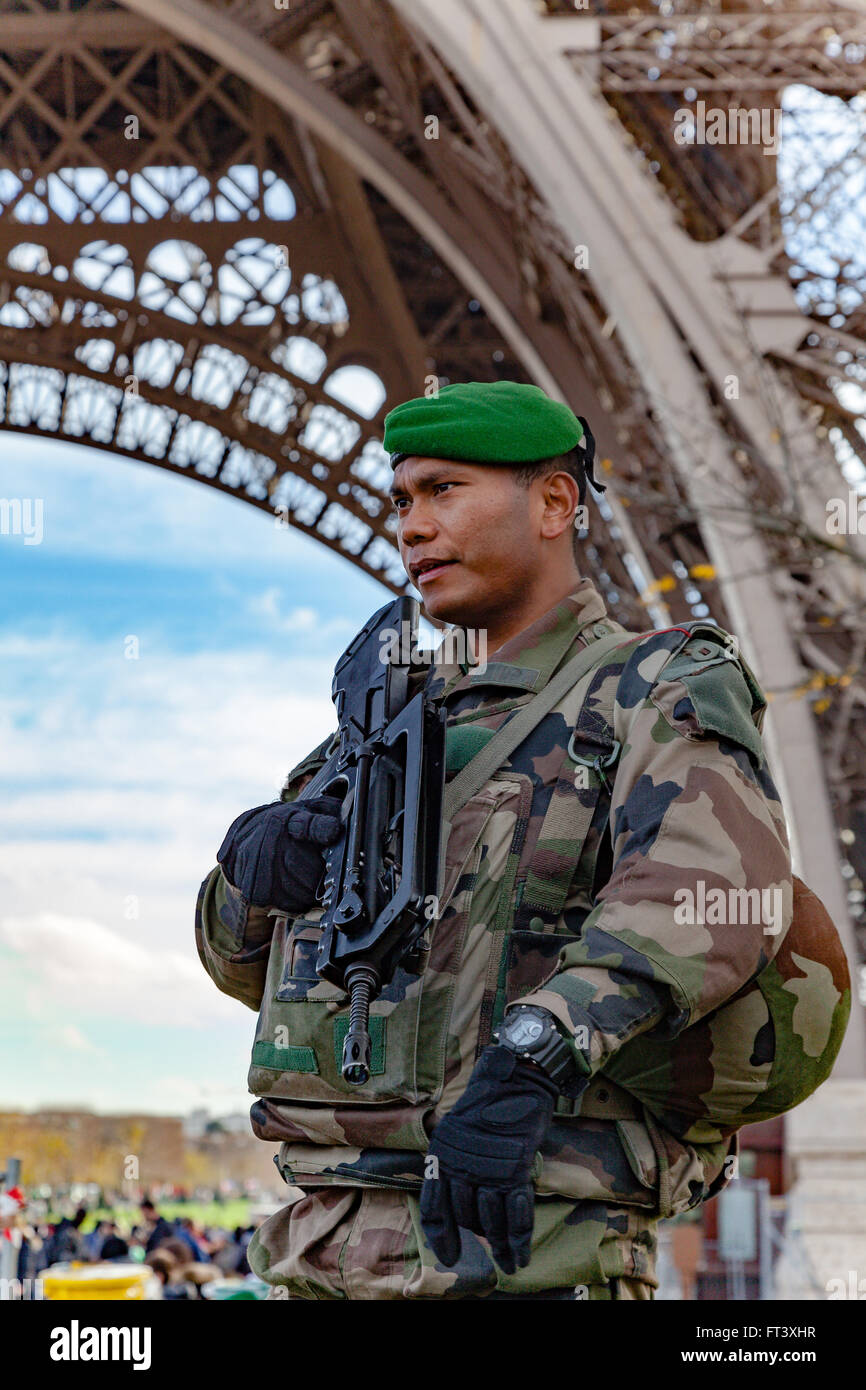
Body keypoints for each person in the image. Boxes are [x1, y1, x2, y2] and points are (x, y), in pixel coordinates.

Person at [195, 380, 847, 1300]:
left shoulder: (652, 685)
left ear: (553, 503)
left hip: (528, 1252)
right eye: (401, 498)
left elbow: (703, 892)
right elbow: (242, 967)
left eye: (444, 489)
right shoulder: (372, 733)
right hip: (316, 1258)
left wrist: (538, 1049)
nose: (412, 524)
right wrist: (252, 873)